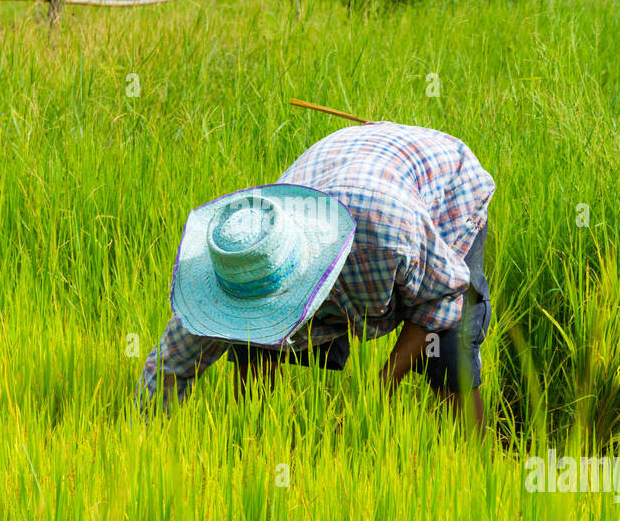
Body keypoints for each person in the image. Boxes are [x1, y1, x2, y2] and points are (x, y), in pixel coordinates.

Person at [138, 121, 494, 426]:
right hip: (338, 166)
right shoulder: (241, 262)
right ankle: (256, 439)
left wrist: (378, 395)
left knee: (448, 350)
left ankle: (481, 468)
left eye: (269, 312)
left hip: (442, 185)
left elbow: (443, 295)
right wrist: (143, 440)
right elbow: (169, 367)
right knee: (251, 343)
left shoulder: (384, 243)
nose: (259, 320)